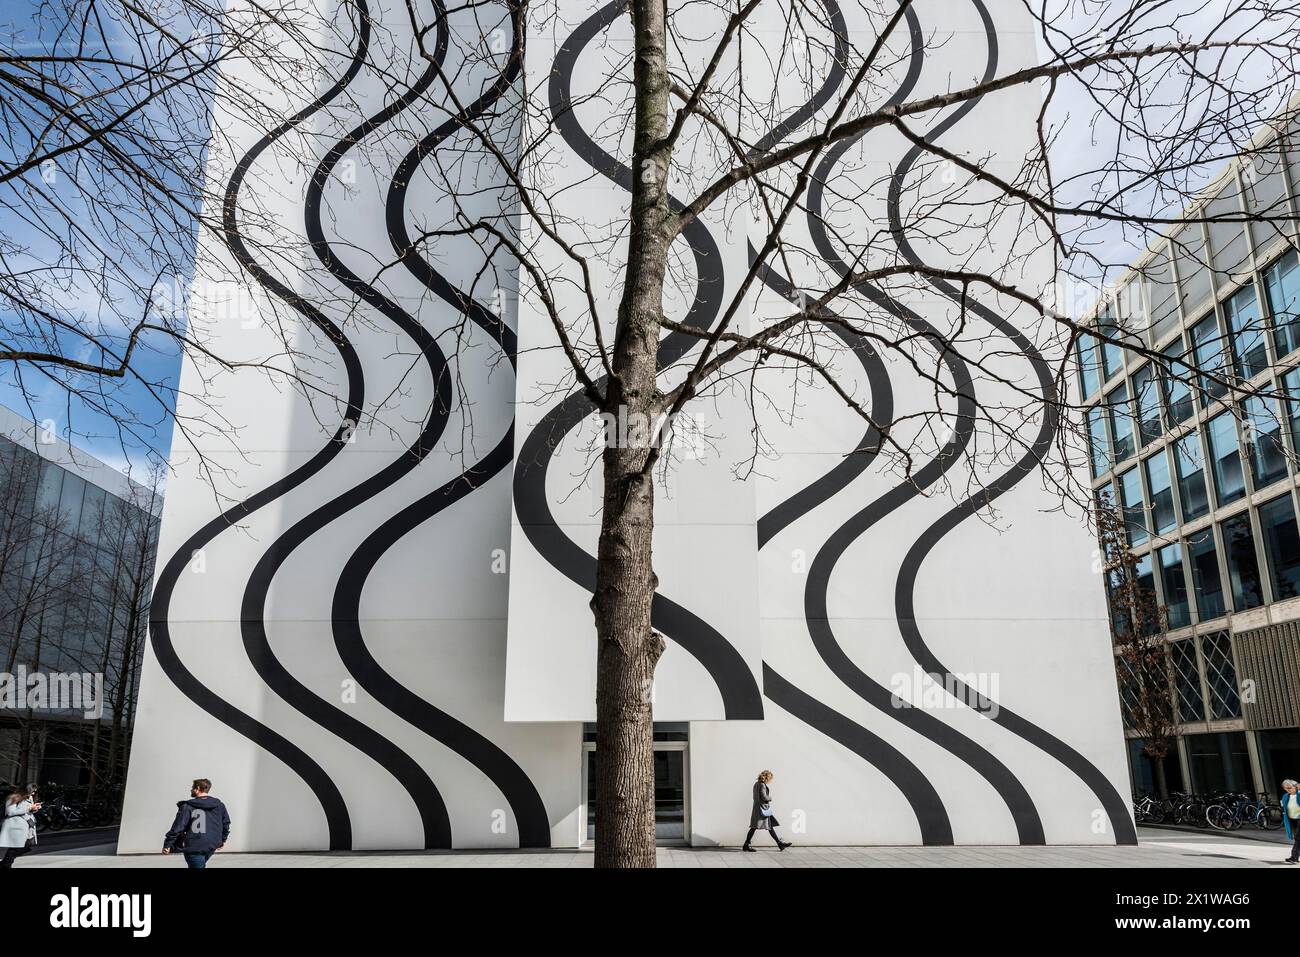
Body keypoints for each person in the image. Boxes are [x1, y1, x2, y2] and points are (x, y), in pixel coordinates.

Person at [162, 778, 230, 868]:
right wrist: (222, 840)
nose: (191, 790)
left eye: (192, 788)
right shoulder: (219, 805)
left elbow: (178, 827)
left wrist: (168, 844)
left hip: (194, 847)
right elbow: (226, 824)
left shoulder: (187, 806)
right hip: (211, 846)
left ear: (197, 788)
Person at [743, 769, 792, 852]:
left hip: (758, 808)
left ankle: (780, 844)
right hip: (762, 809)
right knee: (755, 827)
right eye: (770, 778)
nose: (770, 780)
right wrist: (770, 798)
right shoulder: (762, 785)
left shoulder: (756, 784)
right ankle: (746, 845)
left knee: (767, 826)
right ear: (767, 778)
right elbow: (764, 797)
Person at [0, 786, 39, 868]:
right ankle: (6, 864)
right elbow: (10, 812)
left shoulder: (29, 799)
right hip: (16, 826)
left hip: (26, 826)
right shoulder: (13, 798)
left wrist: (34, 809)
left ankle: (4, 863)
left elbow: (26, 811)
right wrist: (29, 809)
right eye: (32, 791)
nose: (33, 793)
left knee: (27, 845)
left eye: (34, 792)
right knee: (17, 846)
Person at [1282, 779, 1300, 864]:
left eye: (1289, 787)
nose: (1288, 790)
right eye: (1286, 788)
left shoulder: (1299, 794)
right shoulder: (1286, 796)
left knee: (1298, 838)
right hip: (1292, 819)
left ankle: (1294, 857)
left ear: (1295, 787)